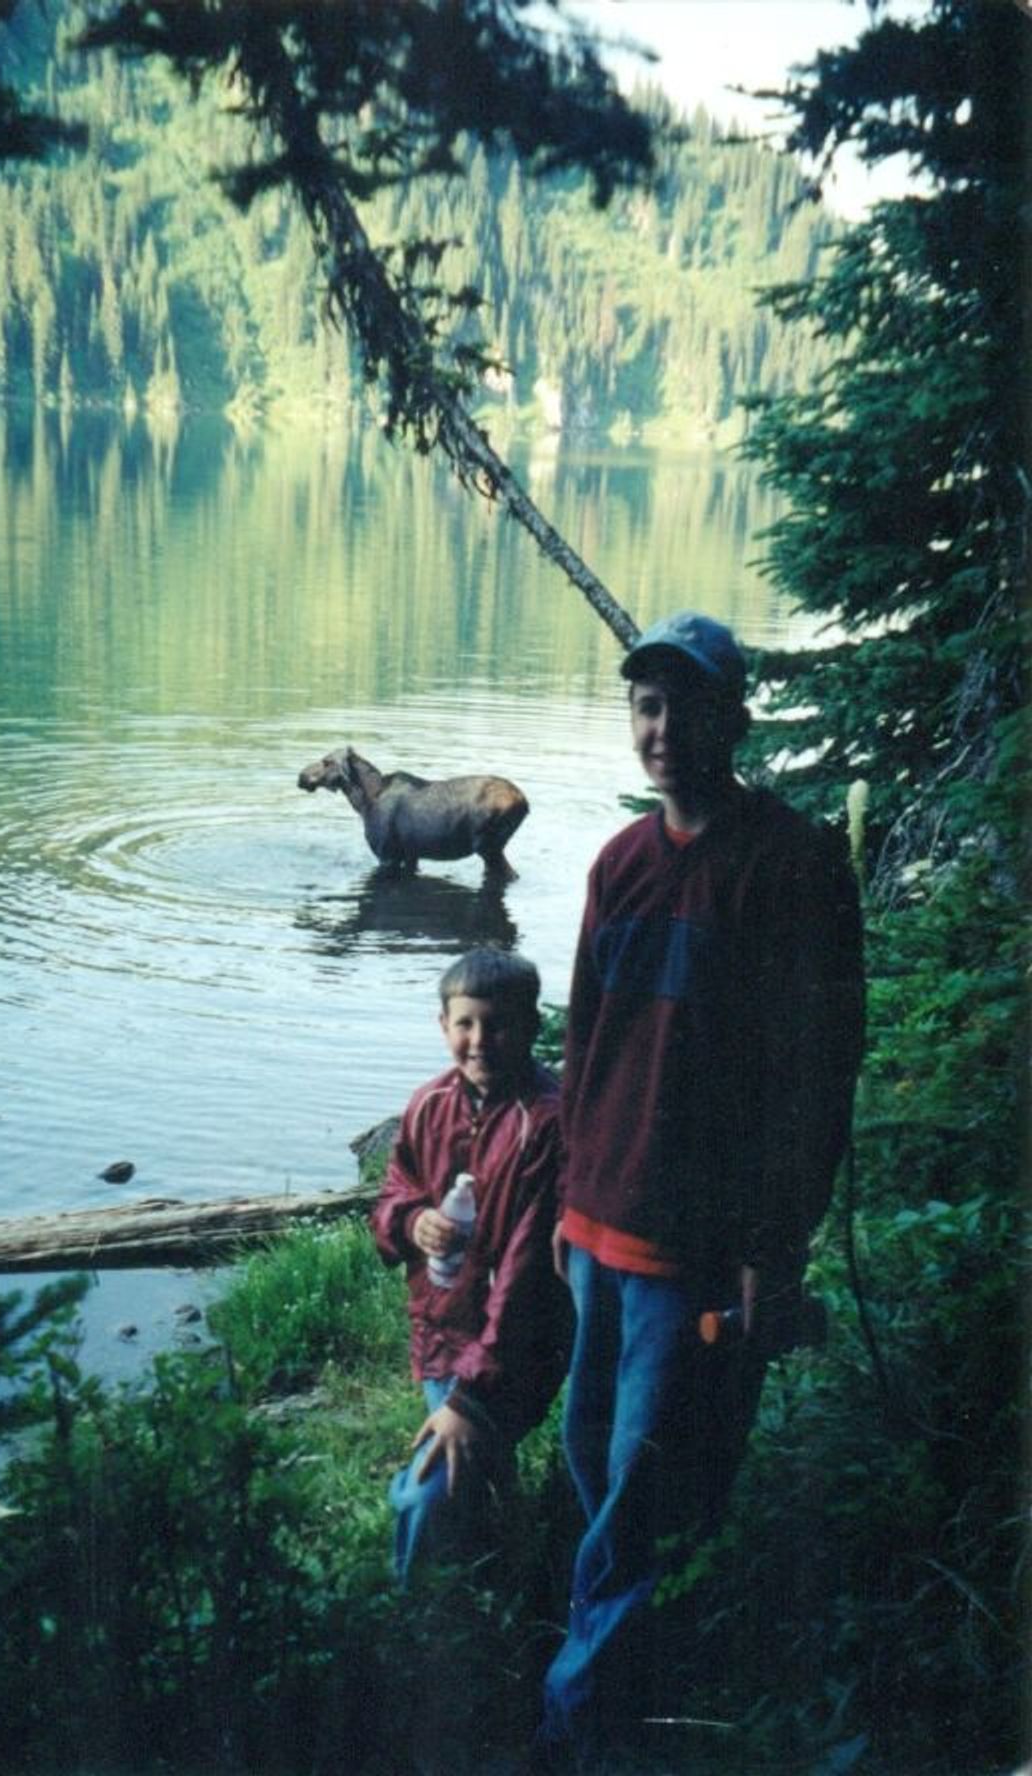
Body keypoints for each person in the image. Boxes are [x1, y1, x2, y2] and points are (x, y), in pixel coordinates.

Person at [537, 611, 865, 1761]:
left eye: (686, 705)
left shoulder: (793, 865)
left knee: (645, 1489)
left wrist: (775, 1249)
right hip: (596, 1232)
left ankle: (578, 1720)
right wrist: (559, 1212)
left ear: (734, 717)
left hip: (698, 1251)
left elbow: (815, 1081)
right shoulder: (618, 867)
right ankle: (645, 1660)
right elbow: (582, 1050)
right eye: (646, 705)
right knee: (599, 1469)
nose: (663, 729)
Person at [371, 947, 570, 1585]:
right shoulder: (428, 1104)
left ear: (532, 1027)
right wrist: (409, 1222)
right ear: (443, 1026)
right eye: (465, 1024)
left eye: (498, 1024)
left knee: (425, 1490)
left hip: (517, 1350)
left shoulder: (547, 1121)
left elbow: (528, 1274)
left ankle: (416, 1612)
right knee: (468, 1479)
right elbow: (394, 1194)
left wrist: (467, 1397)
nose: (479, 1040)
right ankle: (495, 1543)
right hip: (441, 1332)